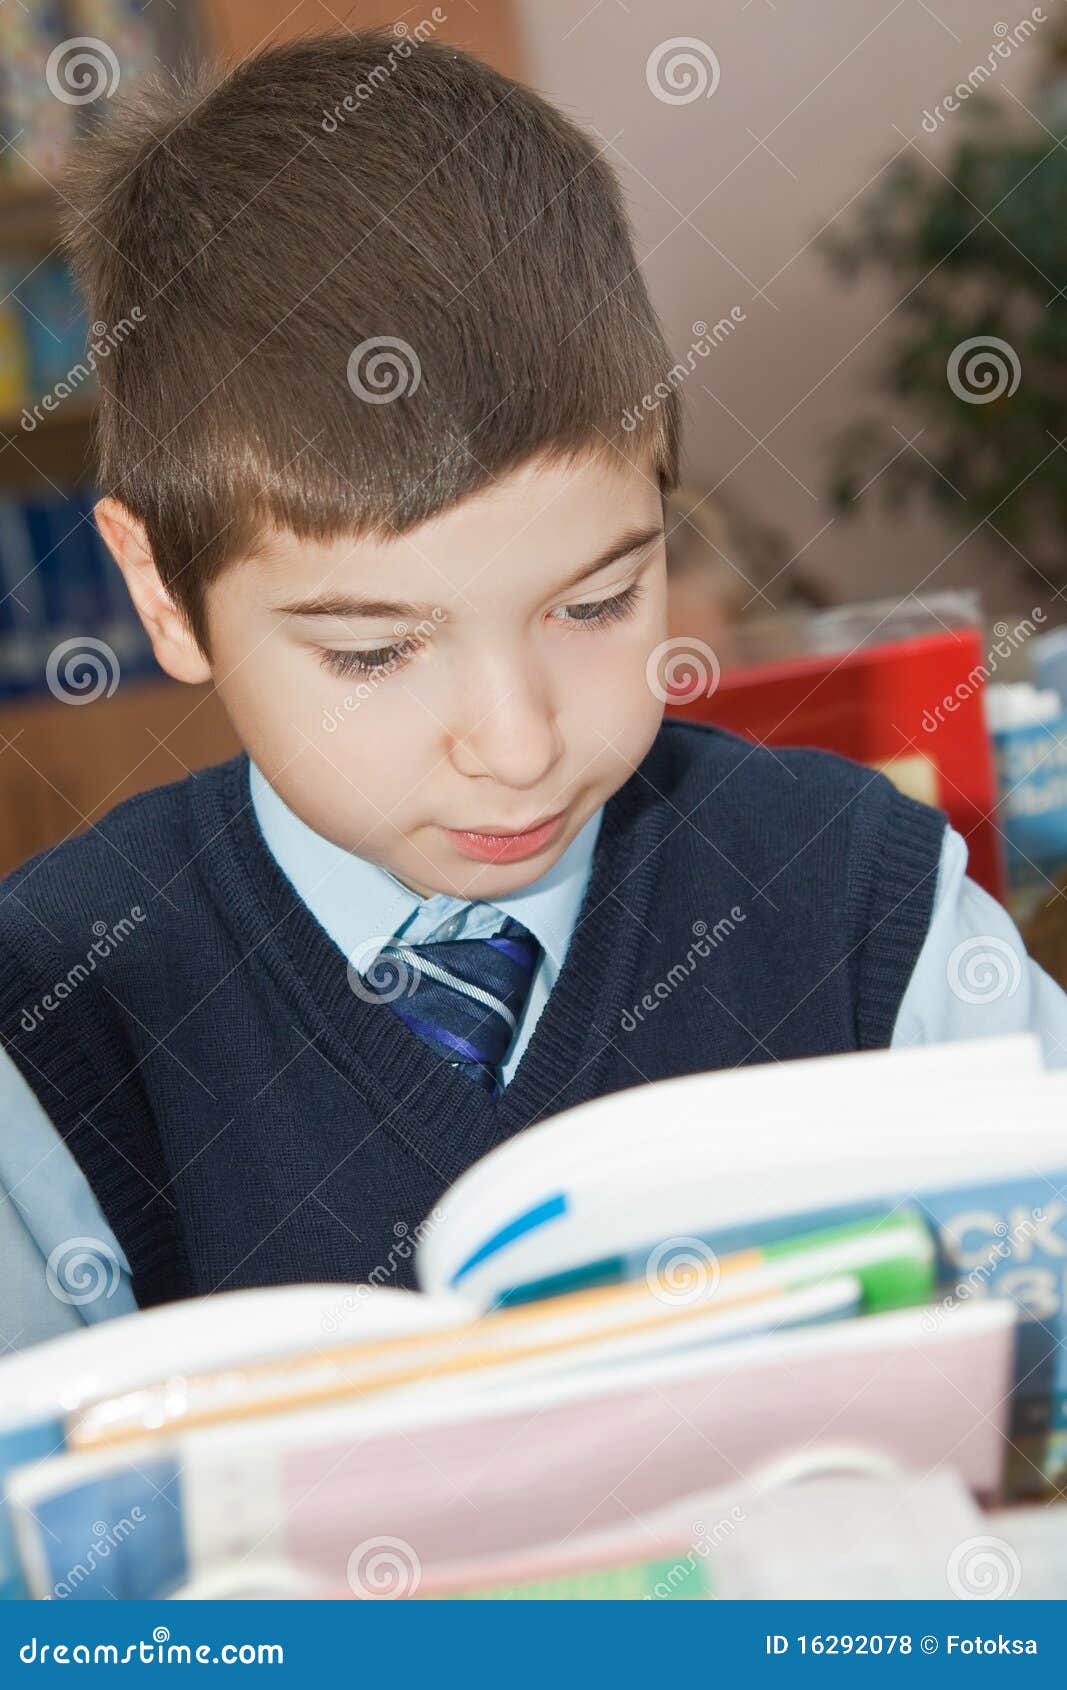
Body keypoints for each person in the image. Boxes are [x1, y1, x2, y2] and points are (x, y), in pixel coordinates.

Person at [1, 32, 1064, 1353]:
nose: (517, 746)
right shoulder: (52, 1020)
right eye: (375, 654)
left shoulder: (868, 912)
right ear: (164, 595)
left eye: (598, 603)